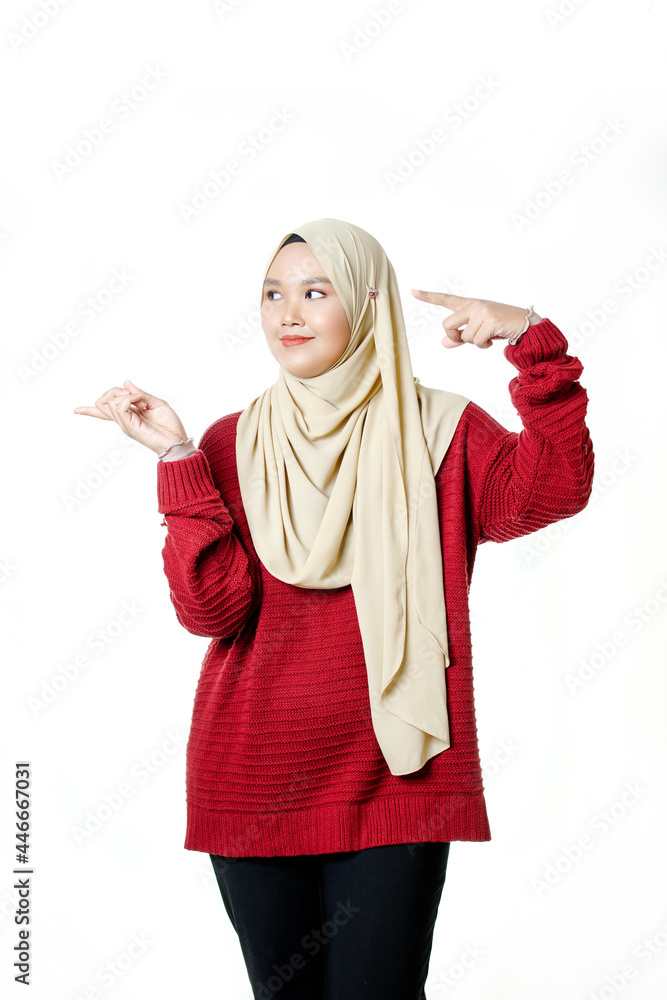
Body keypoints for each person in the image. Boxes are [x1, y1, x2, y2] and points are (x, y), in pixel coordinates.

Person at [73, 218, 594, 999]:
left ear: (367, 303)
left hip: (399, 772)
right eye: (273, 294)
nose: (288, 314)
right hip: (253, 778)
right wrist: (179, 461)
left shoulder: (441, 431)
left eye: (316, 292)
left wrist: (529, 338)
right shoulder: (231, 443)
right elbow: (212, 612)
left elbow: (552, 488)